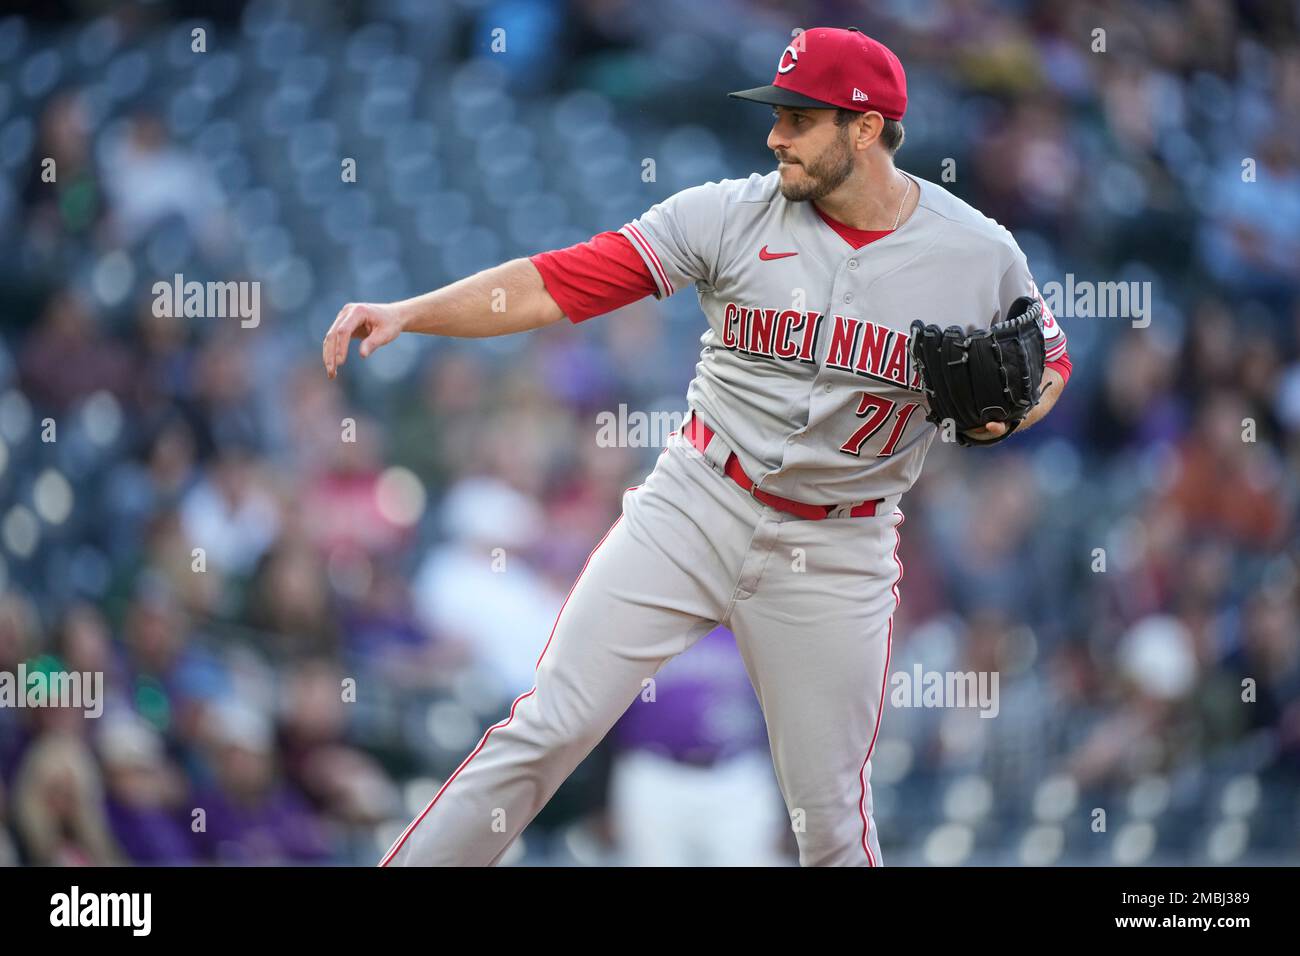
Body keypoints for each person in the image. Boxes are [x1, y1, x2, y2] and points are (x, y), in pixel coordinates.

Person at [323, 27, 1072, 867]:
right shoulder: (726, 214)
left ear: (865, 129)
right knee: (545, 729)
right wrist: (409, 312)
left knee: (829, 824)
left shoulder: (976, 251)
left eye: (798, 117)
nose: (774, 134)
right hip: (697, 499)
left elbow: (1049, 363)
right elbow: (557, 282)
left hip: (837, 544)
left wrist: (1009, 418)